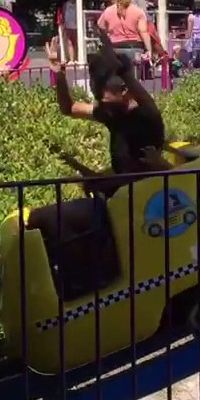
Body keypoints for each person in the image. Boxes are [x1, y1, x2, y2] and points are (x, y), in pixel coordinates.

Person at [26, 33, 169, 273]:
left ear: (124, 92)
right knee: (42, 222)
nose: (100, 106)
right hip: (118, 200)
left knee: (50, 220)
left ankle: (88, 280)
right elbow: (68, 108)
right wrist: (59, 74)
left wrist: (123, 70)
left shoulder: (147, 118)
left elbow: (146, 102)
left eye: (104, 99)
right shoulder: (111, 112)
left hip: (140, 210)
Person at [96, 0, 152, 66]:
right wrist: (148, 50)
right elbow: (143, 32)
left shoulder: (108, 11)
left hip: (115, 49)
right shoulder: (138, 11)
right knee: (134, 75)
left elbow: (100, 27)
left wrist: (106, 41)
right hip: (135, 48)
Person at [182, 0, 200, 69]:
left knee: (193, 52)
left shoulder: (191, 16)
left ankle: (191, 64)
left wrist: (187, 37)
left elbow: (190, 29)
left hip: (194, 36)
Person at [59, 0, 78, 65]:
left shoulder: (77, 4)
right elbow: (63, 15)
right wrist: (64, 24)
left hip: (75, 26)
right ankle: (71, 59)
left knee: (75, 43)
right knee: (70, 43)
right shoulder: (66, 4)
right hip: (68, 25)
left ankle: (75, 58)